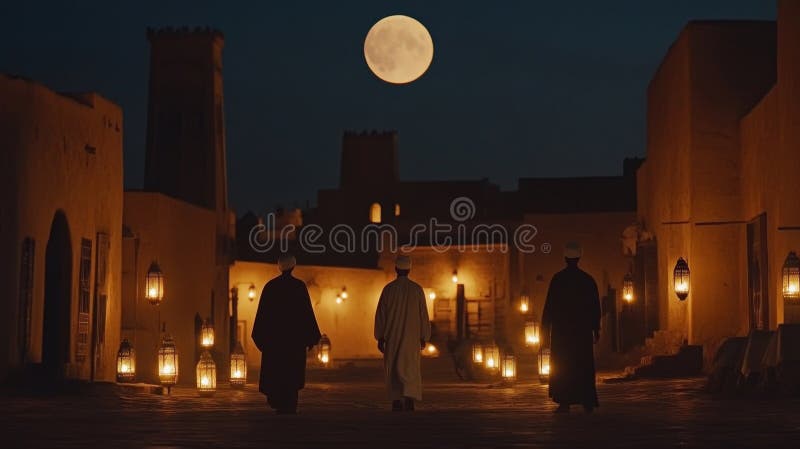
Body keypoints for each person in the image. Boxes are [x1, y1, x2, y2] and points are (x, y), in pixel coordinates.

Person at [251, 254, 321, 414]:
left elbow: (262, 317)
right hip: (293, 344)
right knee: (291, 375)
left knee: (277, 374)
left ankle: (278, 402)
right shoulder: (299, 287)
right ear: (293, 266)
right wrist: (310, 338)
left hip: (274, 344)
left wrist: (264, 341)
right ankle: (289, 405)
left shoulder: (270, 287)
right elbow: (307, 314)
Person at [541, 242, 601, 414]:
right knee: (582, 364)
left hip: (562, 333)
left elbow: (549, 308)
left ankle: (564, 400)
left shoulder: (558, 280)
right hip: (581, 332)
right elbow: (594, 307)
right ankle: (586, 400)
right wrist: (595, 328)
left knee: (563, 365)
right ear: (579, 257)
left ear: (566, 258)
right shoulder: (587, 280)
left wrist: (545, 332)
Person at [374, 255, 431, 411]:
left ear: (396, 269)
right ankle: (409, 397)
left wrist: (380, 337)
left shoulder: (388, 290)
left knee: (393, 367)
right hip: (412, 338)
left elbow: (381, 315)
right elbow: (423, 314)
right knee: (410, 367)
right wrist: (424, 336)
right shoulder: (417, 290)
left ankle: (396, 399)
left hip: (392, 337)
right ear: (409, 269)